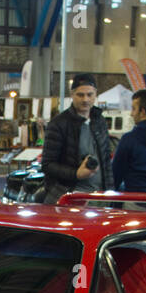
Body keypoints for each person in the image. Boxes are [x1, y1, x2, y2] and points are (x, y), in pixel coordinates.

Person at [40, 73, 112, 203]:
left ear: (95, 94)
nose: (85, 99)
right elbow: (47, 165)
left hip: (100, 195)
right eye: (80, 95)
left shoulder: (100, 121)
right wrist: (76, 174)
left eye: (89, 95)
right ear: (72, 95)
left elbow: (106, 161)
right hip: (70, 196)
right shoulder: (58, 123)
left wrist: (111, 192)